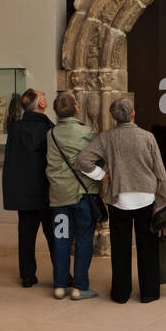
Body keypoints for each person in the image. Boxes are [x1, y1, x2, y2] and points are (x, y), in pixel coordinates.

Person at [74, 97, 166, 304]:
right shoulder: (148, 137)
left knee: (120, 248)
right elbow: (160, 172)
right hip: (147, 196)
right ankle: (149, 293)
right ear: (133, 113)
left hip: (119, 198)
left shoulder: (106, 138)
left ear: (114, 117)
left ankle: (121, 293)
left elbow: (81, 160)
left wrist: (101, 174)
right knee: (148, 247)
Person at [45, 91, 99, 300]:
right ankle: (80, 286)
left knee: (61, 239)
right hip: (82, 194)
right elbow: (94, 161)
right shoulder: (87, 133)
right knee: (84, 239)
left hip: (58, 196)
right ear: (77, 108)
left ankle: (59, 285)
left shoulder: (50, 134)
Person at [2, 88, 54, 287]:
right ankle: (61, 274)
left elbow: (11, 162)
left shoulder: (15, 129)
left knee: (25, 238)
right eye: (44, 95)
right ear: (40, 103)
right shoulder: (48, 128)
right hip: (46, 192)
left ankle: (27, 275)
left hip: (24, 192)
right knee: (54, 237)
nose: (45, 97)